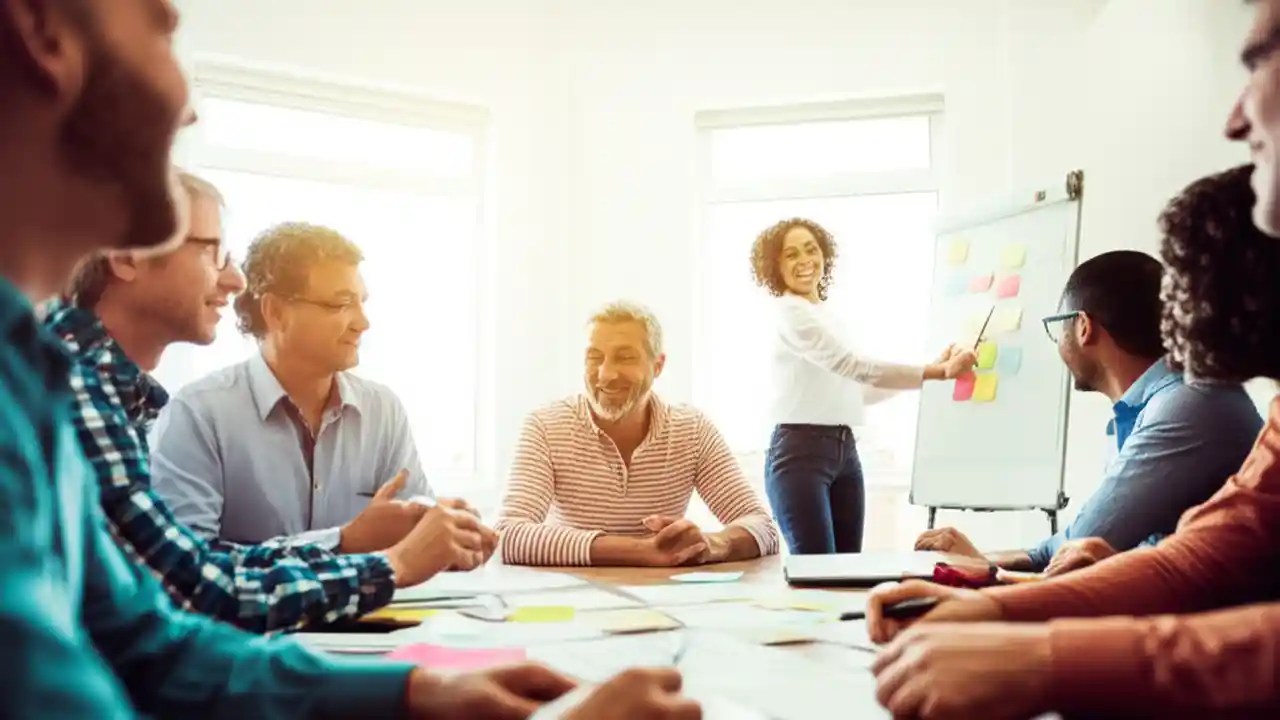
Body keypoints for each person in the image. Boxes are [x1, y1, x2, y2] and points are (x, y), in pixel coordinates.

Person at [0, 1, 695, 717]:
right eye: (161, 23)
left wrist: (414, 691)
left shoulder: (50, 377)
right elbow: (189, 597)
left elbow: (155, 644)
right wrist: (383, 565)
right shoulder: (97, 395)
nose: (190, 111)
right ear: (44, 31)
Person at [867, 163, 1280, 718]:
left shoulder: (1193, 402)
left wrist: (1042, 654)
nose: (1175, 314)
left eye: (1192, 286)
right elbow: (1192, 558)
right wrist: (995, 608)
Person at [47, 170, 494, 633]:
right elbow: (192, 590)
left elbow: (181, 578)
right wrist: (373, 555)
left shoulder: (125, 403)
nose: (236, 279)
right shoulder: (95, 396)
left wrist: (433, 537)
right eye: (213, 251)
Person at [915, 250, 1261, 576]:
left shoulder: (1187, 406)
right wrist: (977, 559)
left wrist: (983, 567)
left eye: (1058, 326)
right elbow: (1067, 547)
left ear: (1083, 326)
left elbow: (1083, 546)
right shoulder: (1155, 404)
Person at [151, 221, 438, 549]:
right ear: (275, 312)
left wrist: (445, 531)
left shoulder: (383, 409)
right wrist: (343, 541)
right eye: (341, 304)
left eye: (362, 303)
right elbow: (188, 563)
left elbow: (416, 530)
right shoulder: (197, 414)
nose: (362, 323)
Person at [749, 218, 976, 555]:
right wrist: (936, 371)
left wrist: (930, 373)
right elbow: (855, 366)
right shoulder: (791, 313)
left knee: (847, 570)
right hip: (800, 451)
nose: (805, 261)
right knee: (818, 573)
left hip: (844, 450)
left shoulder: (825, 315)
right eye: (791, 255)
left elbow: (856, 390)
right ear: (775, 266)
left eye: (811, 250)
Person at [495, 300, 780, 567]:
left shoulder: (691, 430)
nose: (605, 374)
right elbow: (508, 536)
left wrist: (711, 544)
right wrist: (641, 551)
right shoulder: (545, 426)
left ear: (658, 365)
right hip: (573, 604)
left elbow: (762, 527)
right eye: (594, 357)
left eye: (625, 357)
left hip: (663, 601)